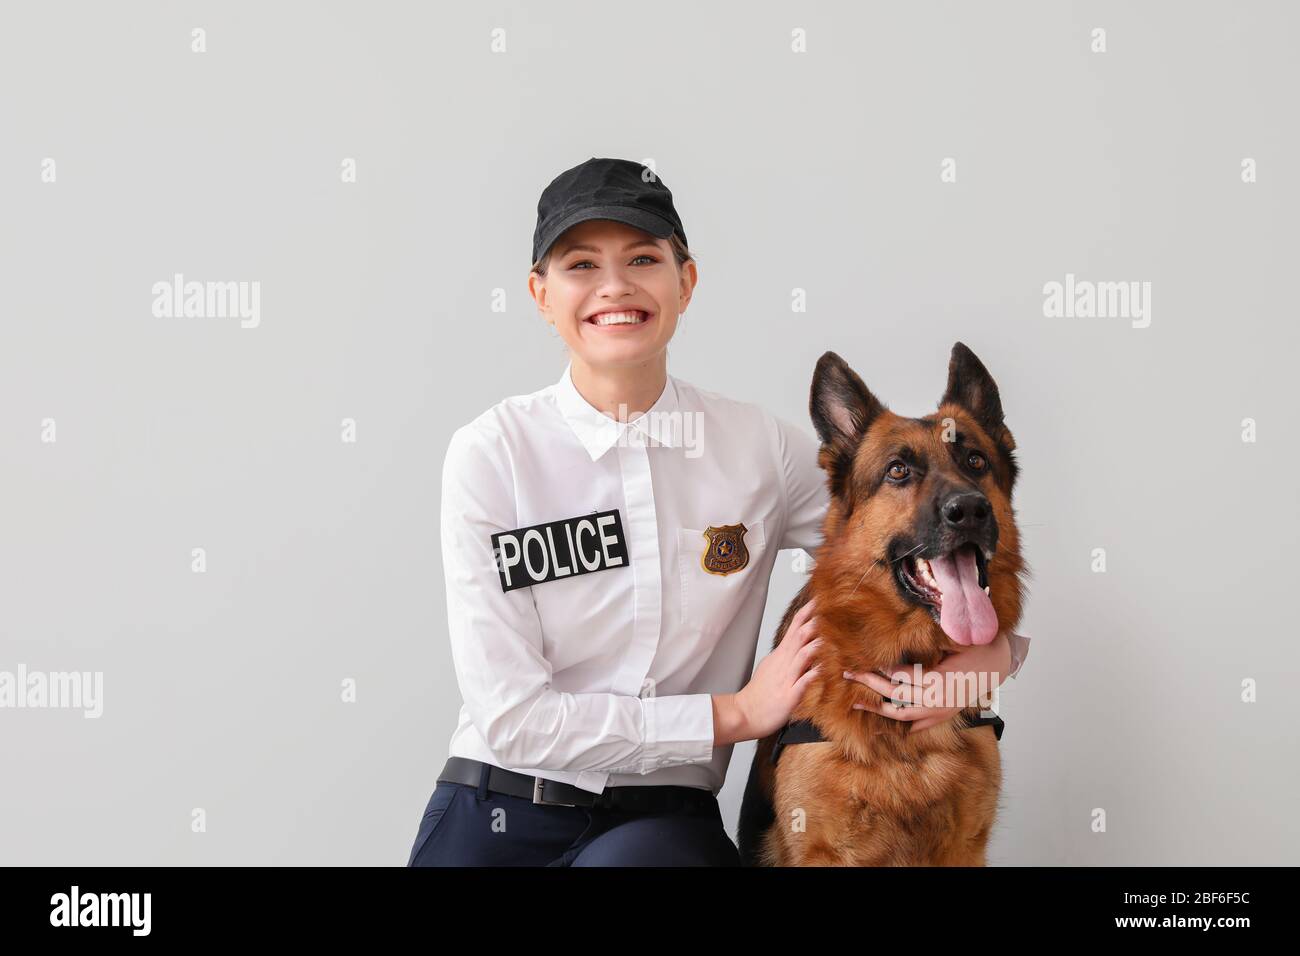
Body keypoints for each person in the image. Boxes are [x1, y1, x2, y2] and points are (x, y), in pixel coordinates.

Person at [406, 157, 1030, 867]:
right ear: (540, 294)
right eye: (581, 265)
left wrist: (990, 658)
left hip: (657, 828)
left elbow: (906, 539)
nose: (615, 286)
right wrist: (735, 714)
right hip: (498, 802)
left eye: (644, 258)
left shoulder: (758, 449)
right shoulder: (492, 455)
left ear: (686, 282)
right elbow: (512, 716)